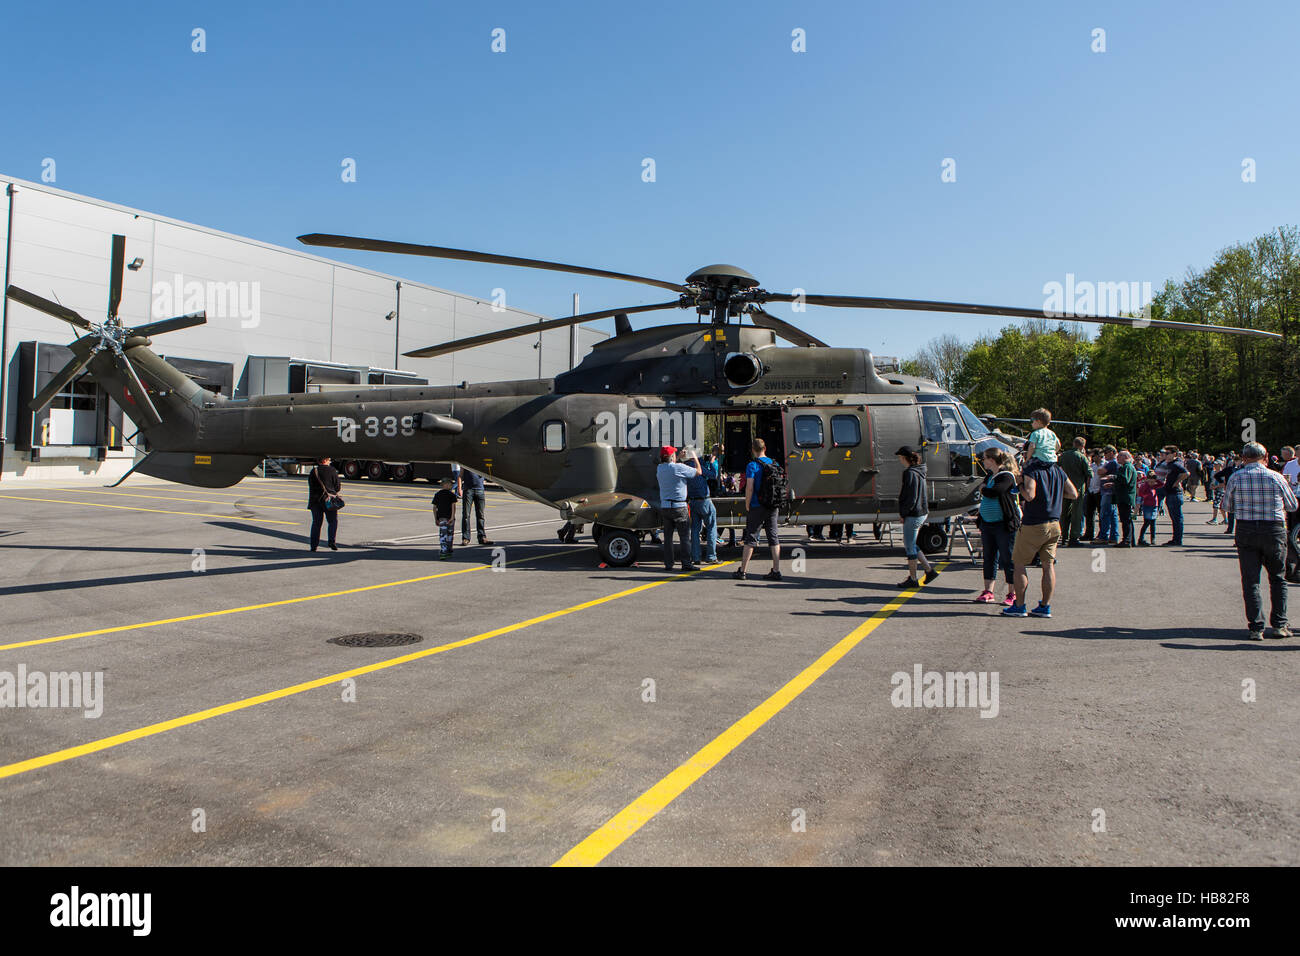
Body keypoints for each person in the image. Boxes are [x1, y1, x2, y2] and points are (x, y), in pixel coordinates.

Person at [1224, 442, 1297, 640]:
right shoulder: (1276, 477)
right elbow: (1292, 505)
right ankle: (1280, 624)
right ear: (1265, 458)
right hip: (1273, 529)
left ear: (1244, 457)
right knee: (1277, 577)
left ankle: (1256, 626)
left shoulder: (1236, 477)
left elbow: (1227, 506)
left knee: (1250, 580)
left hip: (1246, 528)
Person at [1002, 457, 1078, 618]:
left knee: (1019, 564)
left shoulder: (1033, 470)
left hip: (1034, 523)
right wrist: (1053, 495)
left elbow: (1029, 495)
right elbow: (1073, 493)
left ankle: (1020, 605)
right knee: (1048, 565)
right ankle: (1045, 606)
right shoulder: (1058, 470)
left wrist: (1020, 484)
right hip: (1054, 523)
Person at [974, 447, 1020, 605]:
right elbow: (985, 488)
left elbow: (995, 492)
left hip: (1003, 524)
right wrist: (984, 488)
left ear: (992, 460)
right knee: (989, 557)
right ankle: (988, 590)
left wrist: (983, 489)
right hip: (988, 524)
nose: (983, 461)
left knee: (1008, 558)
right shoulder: (990, 476)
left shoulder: (1006, 476)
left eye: (985, 458)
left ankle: (1012, 593)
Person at [734, 438, 783, 581]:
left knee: (751, 538)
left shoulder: (752, 465)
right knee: (774, 538)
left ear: (753, 450)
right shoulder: (775, 463)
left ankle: (743, 571)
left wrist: (747, 504)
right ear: (765, 448)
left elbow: (749, 487)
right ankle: (776, 570)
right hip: (773, 505)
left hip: (757, 505)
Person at [895, 445, 938, 588]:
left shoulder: (909, 473)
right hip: (921, 512)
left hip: (913, 513)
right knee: (911, 543)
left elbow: (910, 497)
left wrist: (904, 513)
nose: (899, 460)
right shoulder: (919, 471)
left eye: (900, 457)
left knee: (909, 546)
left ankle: (913, 578)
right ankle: (929, 570)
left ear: (904, 458)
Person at [655, 445, 701, 571]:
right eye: (674, 454)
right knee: (684, 537)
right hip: (679, 506)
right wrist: (694, 457)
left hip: (665, 506)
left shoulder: (660, 468)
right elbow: (698, 472)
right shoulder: (679, 468)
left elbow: (672, 467)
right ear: (671, 457)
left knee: (668, 538)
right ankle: (686, 563)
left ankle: (669, 564)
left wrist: (678, 458)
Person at [1059, 436, 1091, 546]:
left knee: (1064, 512)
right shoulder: (1081, 457)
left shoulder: (1063, 455)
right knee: (1077, 513)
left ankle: (1064, 535)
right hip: (1078, 487)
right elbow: (1089, 473)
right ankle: (1074, 536)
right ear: (1082, 446)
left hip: (1065, 487)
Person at [451, 464, 493, 546]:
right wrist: (459, 489)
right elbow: (460, 476)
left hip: (480, 490)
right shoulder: (466, 463)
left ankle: (482, 537)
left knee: (480, 515)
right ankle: (466, 538)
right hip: (468, 490)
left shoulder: (480, 463)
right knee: (466, 515)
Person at [307, 455, 343, 552]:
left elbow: (310, 485)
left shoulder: (313, 471)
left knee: (316, 523)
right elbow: (337, 487)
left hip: (315, 501)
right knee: (332, 521)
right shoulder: (332, 471)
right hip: (329, 500)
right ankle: (331, 541)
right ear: (326, 460)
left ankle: (313, 546)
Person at [686, 465, 718, 566]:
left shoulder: (683, 467)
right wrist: (712, 462)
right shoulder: (697, 466)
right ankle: (711, 556)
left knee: (695, 530)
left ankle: (696, 557)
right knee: (711, 527)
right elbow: (713, 475)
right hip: (704, 500)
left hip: (692, 501)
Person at [1159, 446, 1188, 546]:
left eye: (1167, 453)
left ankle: (1177, 540)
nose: (1165, 455)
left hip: (1175, 493)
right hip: (1170, 493)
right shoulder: (1171, 464)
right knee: (1174, 518)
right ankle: (1175, 538)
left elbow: (1186, 473)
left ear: (1174, 454)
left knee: (1177, 518)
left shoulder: (1176, 464)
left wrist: (1177, 482)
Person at [1111, 450, 1139, 547]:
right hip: (1126, 496)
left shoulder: (1127, 467)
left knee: (1125, 520)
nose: (1117, 458)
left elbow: (1125, 479)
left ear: (1125, 457)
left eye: (1119, 456)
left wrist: (1114, 478)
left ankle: (1127, 540)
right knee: (1127, 519)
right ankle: (1131, 540)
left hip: (1125, 497)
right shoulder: (1128, 467)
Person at [431, 478, 459, 558]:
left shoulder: (437, 494)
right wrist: (452, 517)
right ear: (446, 485)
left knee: (443, 534)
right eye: (450, 484)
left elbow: (434, 507)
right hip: (450, 517)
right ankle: (449, 549)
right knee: (450, 534)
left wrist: (436, 518)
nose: (451, 486)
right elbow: (453, 507)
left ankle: (443, 550)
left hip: (441, 518)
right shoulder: (452, 495)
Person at [1137, 470, 1163, 545]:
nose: (1151, 483)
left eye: (1153, 482)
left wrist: (1156, 479)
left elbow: (1161, 484)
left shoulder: (1154, 486)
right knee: (1146, 523)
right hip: (1147, 506)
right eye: (1150, 482)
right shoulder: (1144, 486)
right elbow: (1141, 494)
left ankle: (1153, 539)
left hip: (1154, 506)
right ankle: (1141, 539)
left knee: (1153, 524)